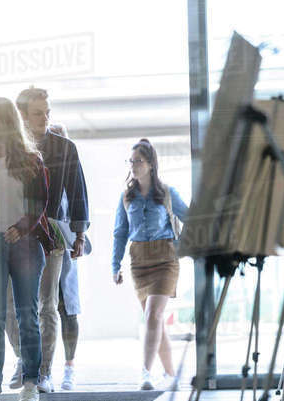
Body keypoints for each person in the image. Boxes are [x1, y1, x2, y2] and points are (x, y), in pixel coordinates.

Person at [0, 97, 54, 401]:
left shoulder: (31, 161)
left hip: (25, 243)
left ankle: (31, 382)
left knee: (27, 313)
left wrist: (23, 225)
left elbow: (40, 202)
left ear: (4, 122)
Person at [5, 87, 89, 393]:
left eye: (47, 112)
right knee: (12, 307)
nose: (45, 118)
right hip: (13, 235)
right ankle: (24, 357)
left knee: (47, 306)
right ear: (22, 116)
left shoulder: (65, 148)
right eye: (38, 113)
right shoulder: (9, 150)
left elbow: (77, 192)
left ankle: (42, 372)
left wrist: (79, 234)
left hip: (51, 233)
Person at [111, 138, 188, 391]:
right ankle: (170, 373)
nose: (133, 166)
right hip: (138, 260)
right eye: (131, 161)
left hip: (165, 257)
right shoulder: (126, 196)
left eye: (138, 161)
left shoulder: (167, 192)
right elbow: (120, 233)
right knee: (155, 318)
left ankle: (145, 371)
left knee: (152, 315)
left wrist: (183, 246)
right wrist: (115, 265)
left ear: (151, 164)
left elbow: (191, 218)